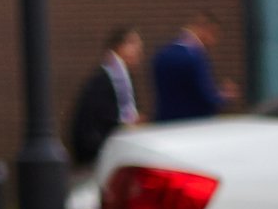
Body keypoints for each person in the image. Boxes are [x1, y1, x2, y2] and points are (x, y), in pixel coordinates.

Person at [69, 26, 146, 167]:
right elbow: (99, 119)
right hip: (97, 155)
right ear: (118, 47)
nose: (138, 50)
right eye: (132, 44)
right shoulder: (106, 80)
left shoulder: (120, 78)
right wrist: (127, 125)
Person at [150, 11, 241, 122]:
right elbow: (206, 97)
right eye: (214, 35)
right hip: (193, 124)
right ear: (207, 30)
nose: (214, 42)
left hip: (165, 122)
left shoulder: (162, 54)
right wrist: (224, 96)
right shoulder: (194, 57)